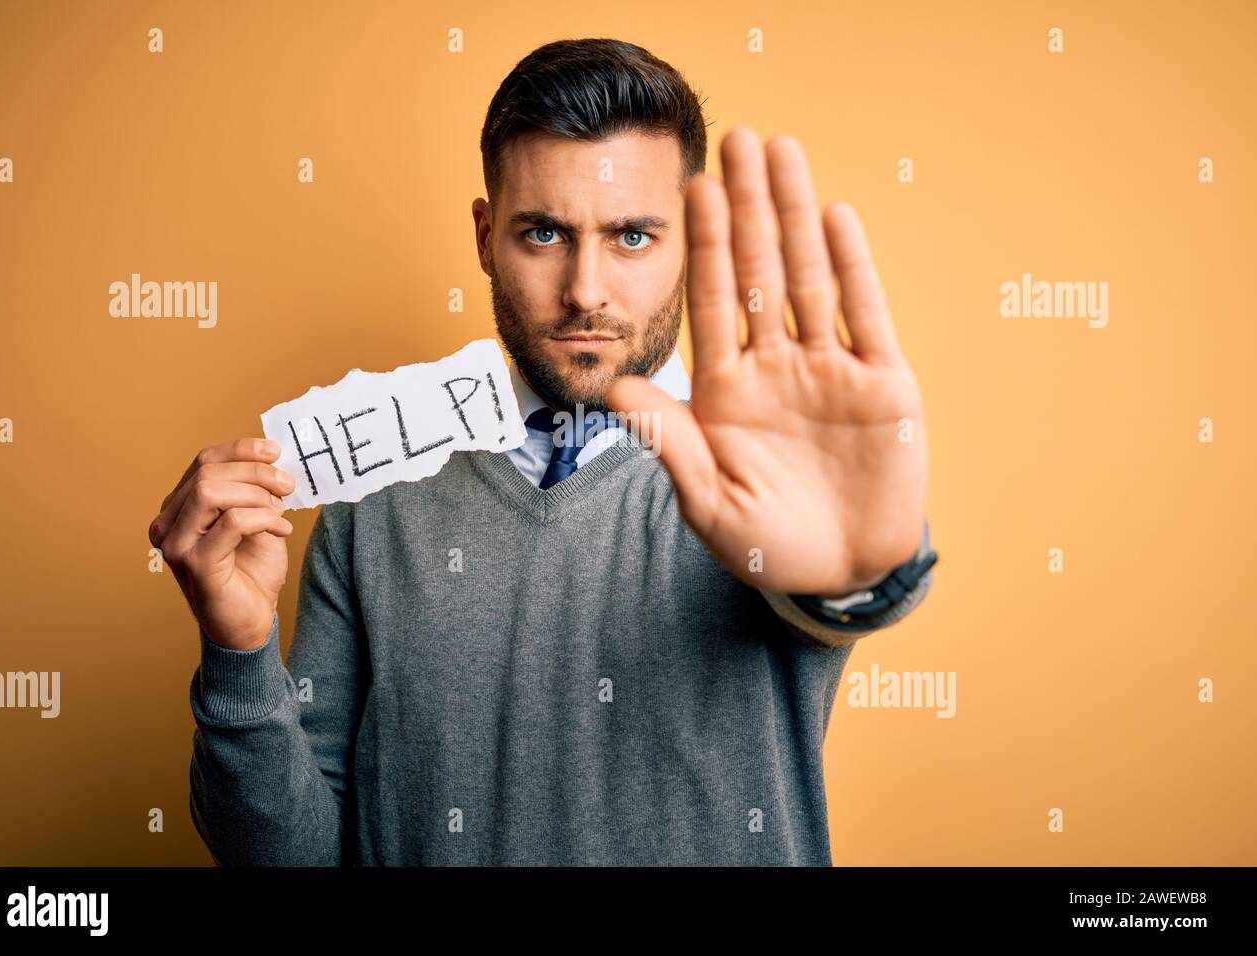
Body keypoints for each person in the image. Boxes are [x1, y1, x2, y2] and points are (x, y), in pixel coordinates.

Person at [149, 37, 938, 866]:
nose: (586, 289)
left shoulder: (766, 484)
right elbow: (291, 857)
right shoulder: (375, 500)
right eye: (544, 233)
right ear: (487, 237)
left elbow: (840, 574)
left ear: (695, 241)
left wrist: (863, 570)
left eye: (633, 235)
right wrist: (238, 654)